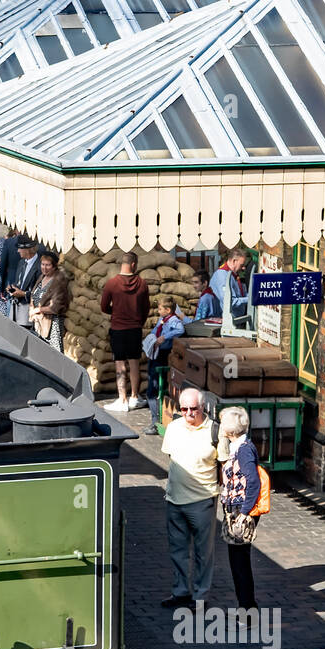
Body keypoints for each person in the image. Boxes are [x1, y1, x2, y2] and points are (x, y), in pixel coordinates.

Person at [161, 388, 219, 608]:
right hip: (175, 500)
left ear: (202, 407)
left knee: (204, 554)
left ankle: (200, 596)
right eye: (183, 409)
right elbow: (170, 456)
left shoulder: (215, 431)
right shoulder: (174, 427)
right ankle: (181, 592)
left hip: (202, 502)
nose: (187, 413)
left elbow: (222, 462)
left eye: (193, 409)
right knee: (178, 550)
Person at [218, 406, 260, 610]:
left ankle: (247, 610)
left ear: (229, 429)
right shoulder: (239, 447)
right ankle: (246, 606)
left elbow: (253, 481)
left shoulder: (243, 450)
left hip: (238, 511)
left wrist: (244, 513)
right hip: (235, 509)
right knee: (238, 562)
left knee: (239, 563)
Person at [99, 251, 151, 412]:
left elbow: (103, 306)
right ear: (134, 264)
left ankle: (122, 399)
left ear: (122, 264)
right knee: (134, 362)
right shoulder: (142, 284)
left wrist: (115, 312)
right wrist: (138, 321)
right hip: (135, 328)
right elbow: (146, 308)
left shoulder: (112, 283)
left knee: (120, 364)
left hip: (118, 328)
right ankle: (135, 397)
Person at [144, 296, 184, 425]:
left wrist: (164, 337)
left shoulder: (173, 320)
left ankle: (155, 421)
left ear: (168, 310)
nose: (158, 311)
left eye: (160, 309)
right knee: (151, 384)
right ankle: (154, 418)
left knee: (153, 389)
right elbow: (156, 330)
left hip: (163, 355)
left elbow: (180, 330)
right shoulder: (162, 319)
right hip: (155, 354)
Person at [28, 250, 69, 351]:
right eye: (42, 264)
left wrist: (38, 310)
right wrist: (31, 307)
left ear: (54, 266)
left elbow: (56, 307)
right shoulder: (42, 277)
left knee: (53, 354)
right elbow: (34, 295)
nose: (44, 268)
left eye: (48, 265)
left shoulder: (58, 280)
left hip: (51, 324)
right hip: (38, 323)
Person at [2, 236, 41, 328]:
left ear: (28, 250)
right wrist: (12, 288)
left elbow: (41, 293)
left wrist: (24, 294)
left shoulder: (40, 266)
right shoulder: (21, 262)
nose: (18, 251)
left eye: (20, 248)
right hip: (15, 312)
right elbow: (19, 283)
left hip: (27, 314)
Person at [203, 250, 249, 322]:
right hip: (226, 322)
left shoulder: (233, 275)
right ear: (234, 261)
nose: (243, 268)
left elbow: (240, 295)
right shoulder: (222, 276)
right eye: (241, 265)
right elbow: (230, 301)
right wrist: (250, 299)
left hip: (236, 320)